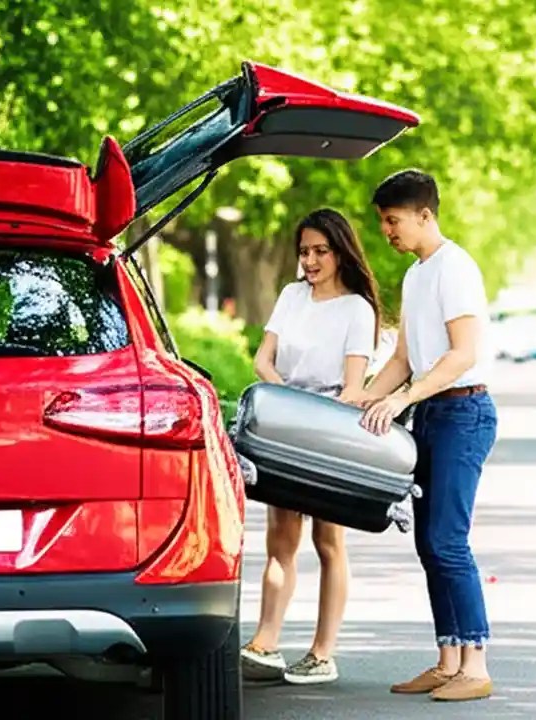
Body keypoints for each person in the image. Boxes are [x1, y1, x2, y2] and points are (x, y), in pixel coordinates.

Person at [357, 169, 498, 703]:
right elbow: (402, 359)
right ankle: (448, 660)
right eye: (383, 223)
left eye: (393, 222)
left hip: (465, 413)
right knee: (426, 543)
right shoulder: (416, 276)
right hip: (432, 414)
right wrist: (365, 395)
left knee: (447, 540)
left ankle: (476, 662)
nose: (387, 233)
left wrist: (403, 399)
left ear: (424, 215)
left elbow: (463, 353)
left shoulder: (454, 268)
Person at [239, 207, 382, 685]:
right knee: (280, 540)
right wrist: (282, 399)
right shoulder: (291, 295)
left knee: (328, 540)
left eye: (321, 251)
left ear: (341, 252)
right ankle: (265, 643)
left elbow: (353, 385)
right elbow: (264, 359)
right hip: (283, 421)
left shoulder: (357, 309)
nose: (312, 260)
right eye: (305, 252)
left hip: (328, 429)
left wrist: (311, 416)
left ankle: (323, 653)